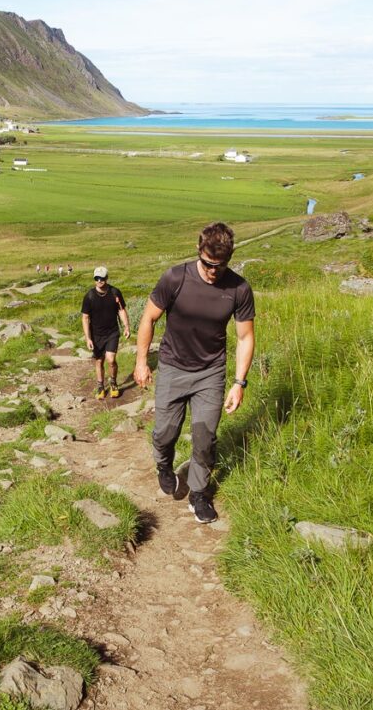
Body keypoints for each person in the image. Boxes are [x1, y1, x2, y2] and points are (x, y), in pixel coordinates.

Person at [133, 222, 255, 524]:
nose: (213, 271)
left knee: (204, 437)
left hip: (210, 373)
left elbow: (245, 337)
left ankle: (199, 494)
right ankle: (164, 465)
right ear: (198, 252)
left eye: (220, 265)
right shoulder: (175, 278)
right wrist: (141, 362)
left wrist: (239, 382)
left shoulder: (238, 289)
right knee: (165, 433)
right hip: (173, 367)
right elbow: (149, 318)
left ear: (229, 258)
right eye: (207, 264)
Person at [81, 265, 131, 400]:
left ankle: (113, 383)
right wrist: (88, 338)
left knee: (111, 359)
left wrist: (126, 326)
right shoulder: (89, 296)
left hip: (112, 332)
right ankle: (100, 386)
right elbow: (85, 318)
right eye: (96, 278)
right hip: (96, 334)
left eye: (102, 278)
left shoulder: (115, 292)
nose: (99, 281)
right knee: (99, 361)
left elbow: (121, 310)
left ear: (106, 278)